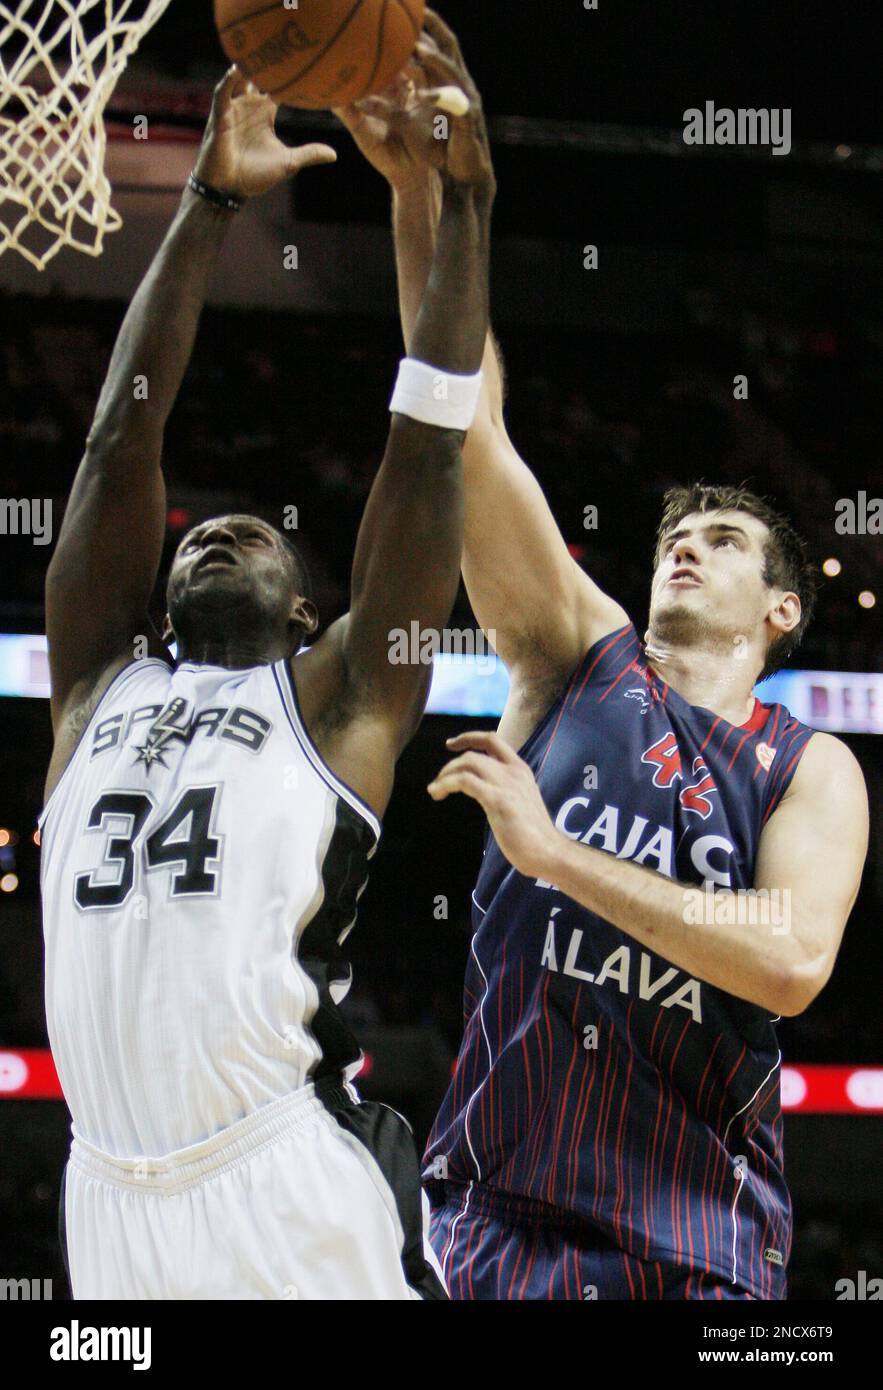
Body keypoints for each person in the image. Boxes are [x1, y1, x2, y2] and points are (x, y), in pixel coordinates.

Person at [341, 12, 869, 1300]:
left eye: (726, 538)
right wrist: (433, 197)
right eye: (676, 531)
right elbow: (465, 424)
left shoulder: (808, 769)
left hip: (696, 1249)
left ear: (781, 611)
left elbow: (790, 959)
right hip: (497, 1228)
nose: (687, 544)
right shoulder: (578, 656)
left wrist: (555, 856)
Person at [40, 55, 495, 1299]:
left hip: (285, 1177)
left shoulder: (337, 698)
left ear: (310, 608)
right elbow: (121, 432)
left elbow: (425, 449)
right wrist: (205, 204)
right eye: (197, 532)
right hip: (107, 1194)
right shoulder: (95, 691)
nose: (214, 530)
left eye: (256, 535)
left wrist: (465, 210)